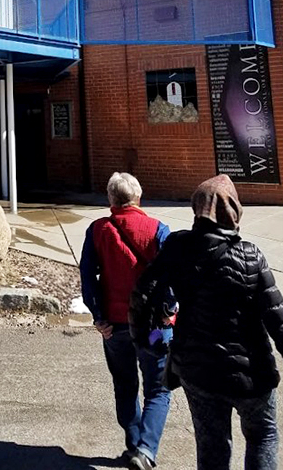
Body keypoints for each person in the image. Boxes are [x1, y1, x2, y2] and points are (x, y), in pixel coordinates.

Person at [130, 174, 283, 470]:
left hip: (197, 369)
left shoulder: (177, 248)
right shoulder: (251, 256)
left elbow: (142, 292)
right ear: (234, 210)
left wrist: (142, 340)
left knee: (212, 443)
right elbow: (277, 318)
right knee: (263, 435)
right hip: (251, 373)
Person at [80, 171, 172, 470]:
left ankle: (134, 443)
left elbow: (88, 278)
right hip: (153, 325)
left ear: (110, 199)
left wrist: (98, 317)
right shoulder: (158, 230)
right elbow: (171, 279)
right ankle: (145, 450)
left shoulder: (97, 230)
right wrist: (170, 310)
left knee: (124, 384)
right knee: (158, 389)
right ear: (138, 197)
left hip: (115, 324)